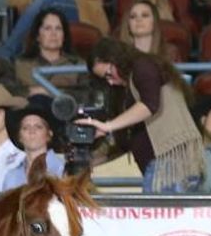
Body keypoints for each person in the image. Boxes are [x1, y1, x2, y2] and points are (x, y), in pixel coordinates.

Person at [81, 37, 203, 193]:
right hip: (163, 165)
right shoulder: (128, 89)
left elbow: (149, 105)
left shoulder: (143, 66)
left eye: (109, 74)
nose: (110, 82)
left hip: (170, 164)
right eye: (105, 79)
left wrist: (108, 126)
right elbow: (124, 142)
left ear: (116, 59)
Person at [2, 94, 66, 189]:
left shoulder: (63, 170)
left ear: (49, 134)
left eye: (38, 127)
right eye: (25, 127)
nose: (32, 131)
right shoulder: (11, 176)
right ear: (19, 137)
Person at [116, 0, 180, 63]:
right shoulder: (121, 55)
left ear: (154, 22)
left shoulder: (170, 52)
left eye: (145, 15)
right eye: (133, 16)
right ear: (128, 25)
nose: (138, 19)